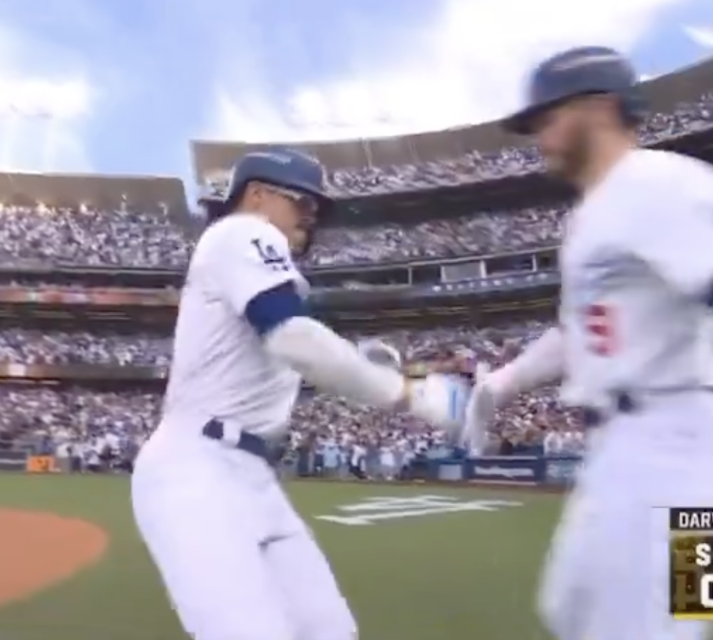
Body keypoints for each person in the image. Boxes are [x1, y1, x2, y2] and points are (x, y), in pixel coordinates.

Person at [461, 46, 713, 640]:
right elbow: (583, 330)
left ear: (599, 107)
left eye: (547, 116)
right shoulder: (589, 218)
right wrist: (503, 383)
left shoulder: (656, 181)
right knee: (571, 611)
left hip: (671, 438)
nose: (537, 134)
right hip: (621, 447)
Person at [130, 148, 468, 640]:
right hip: (195, 469)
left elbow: (297, 348)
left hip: (250, 472)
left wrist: (360, 366)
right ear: (257, 195)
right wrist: (410, 394)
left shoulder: (257, 263)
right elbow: (295, 339)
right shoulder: (241, 230)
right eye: (303, 205)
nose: (311, 221)